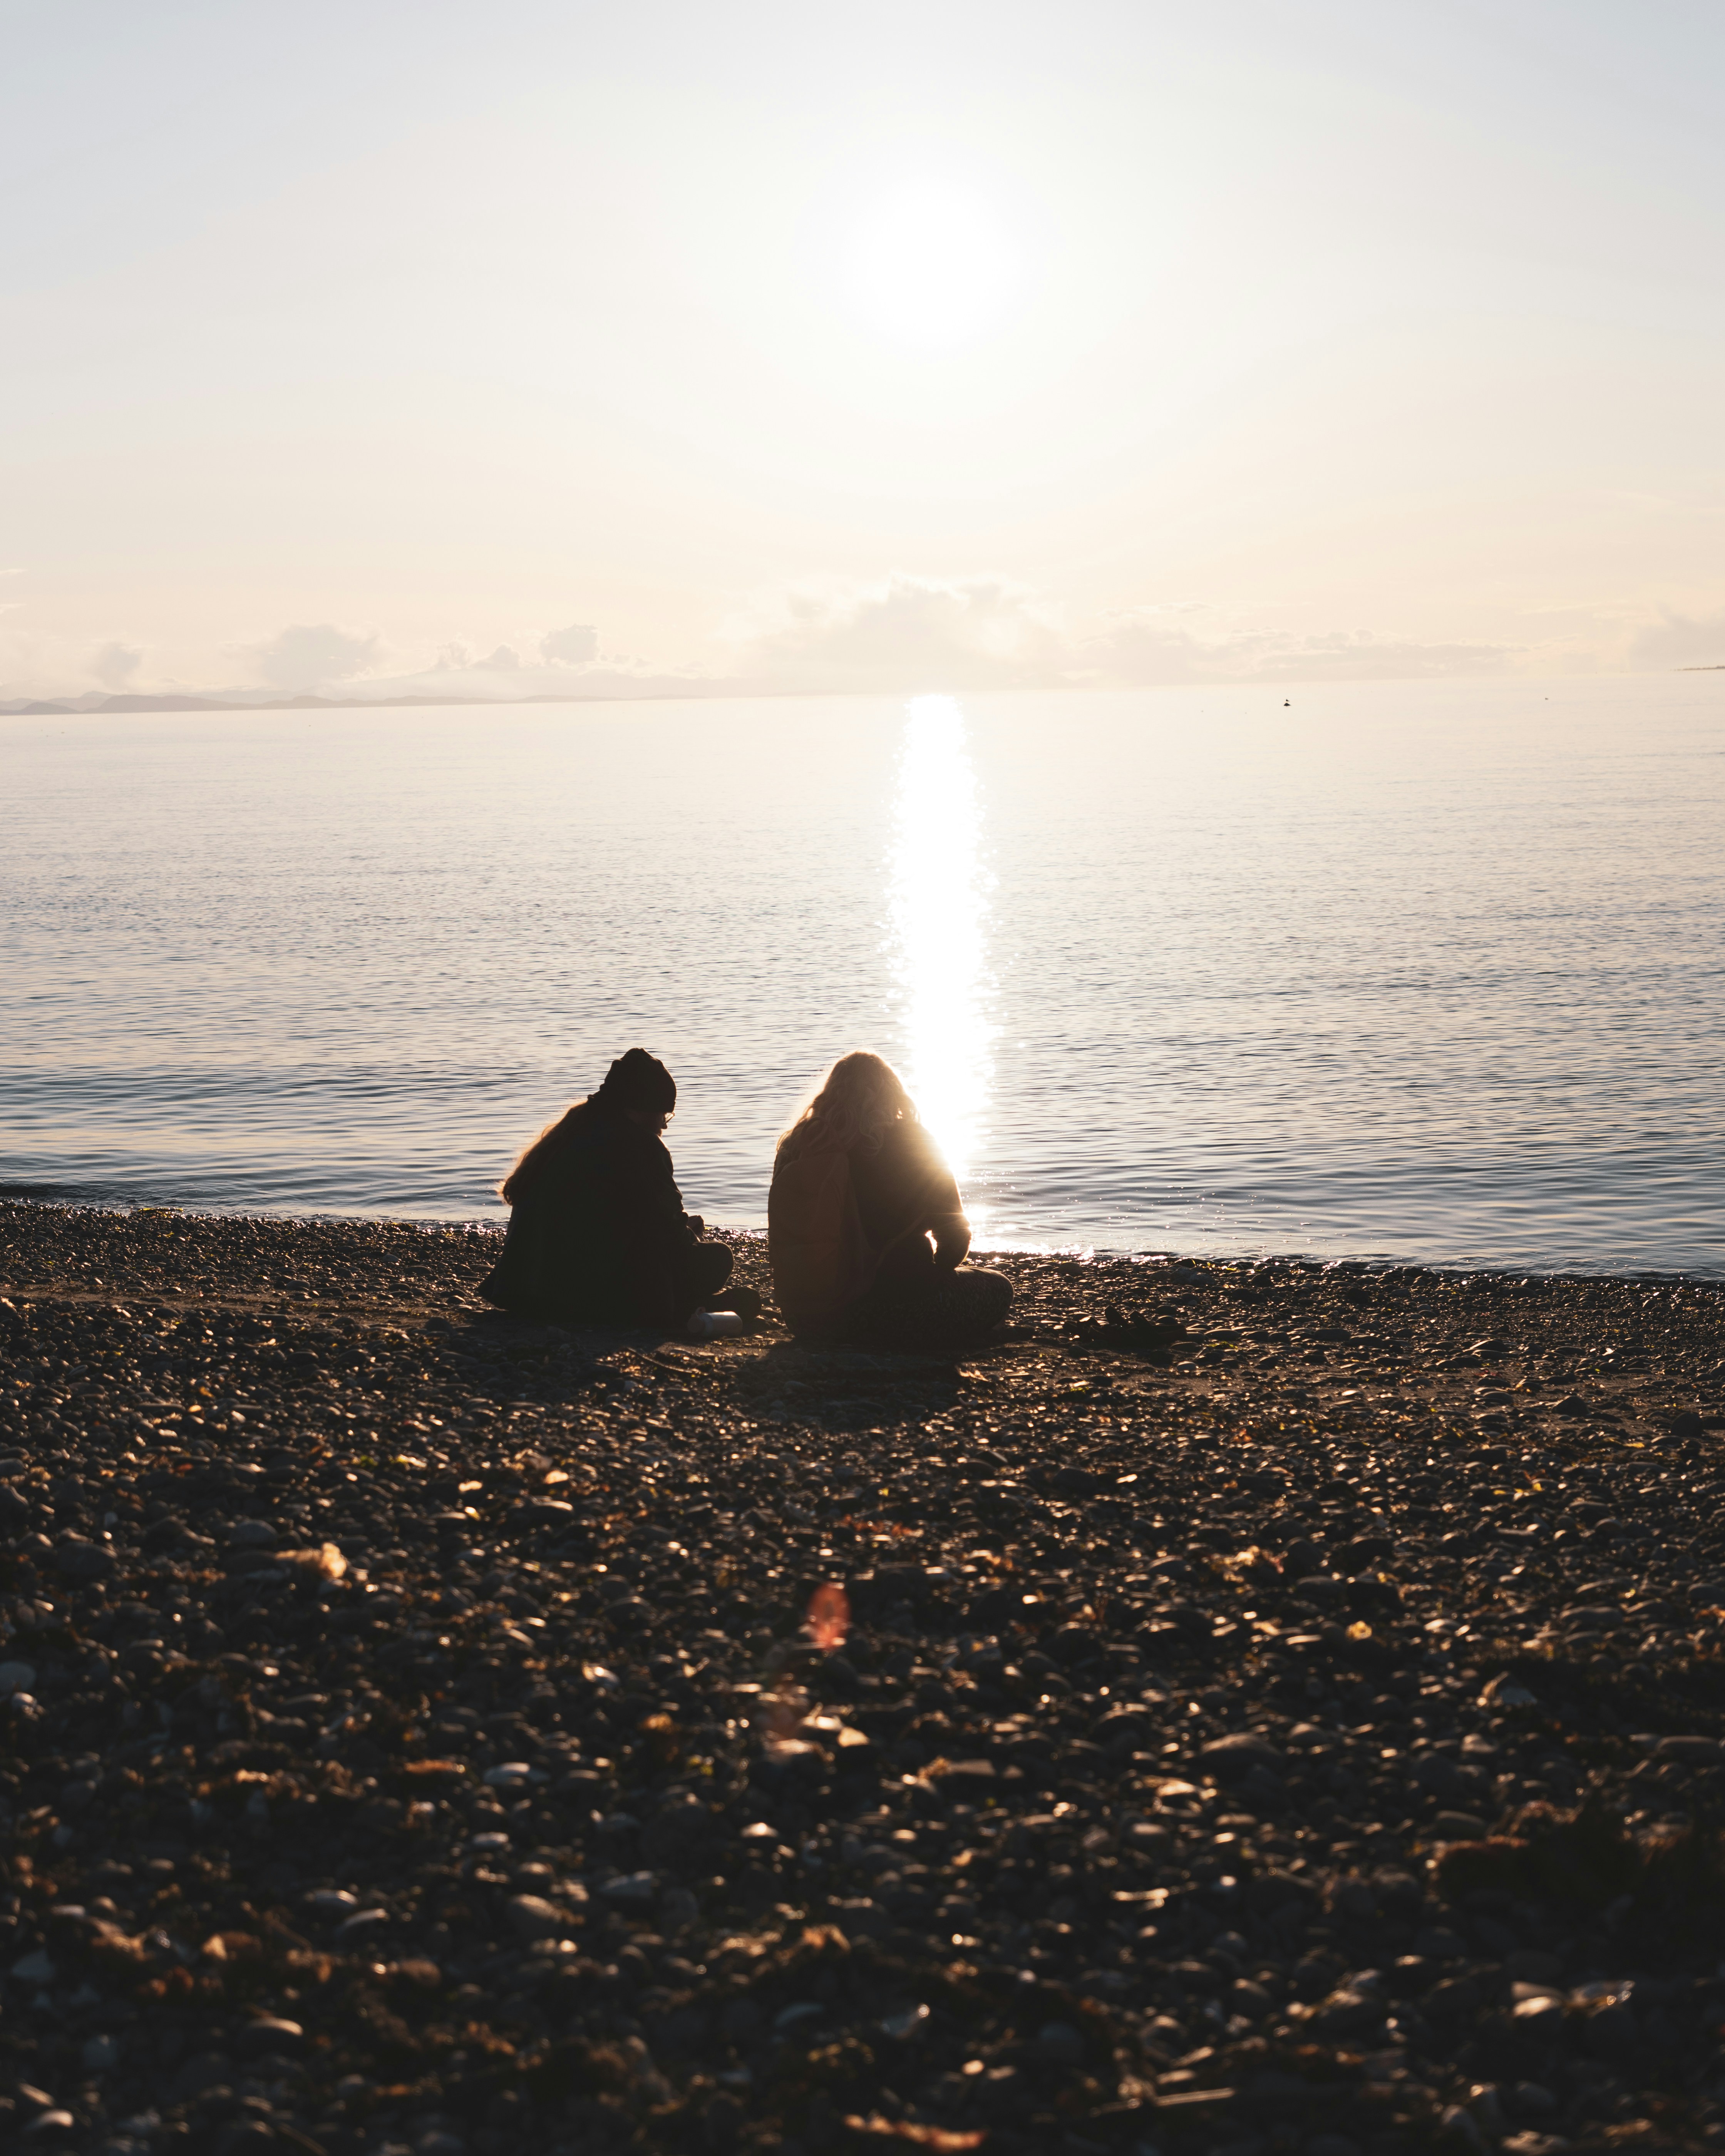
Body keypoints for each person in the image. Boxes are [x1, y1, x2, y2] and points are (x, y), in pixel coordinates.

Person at [479, 1049, 755, 1329]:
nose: (664, 1125)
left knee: (688, 1239)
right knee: (718, 1257)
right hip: (586, 1297)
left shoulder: (566, 1135)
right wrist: (692, 1241)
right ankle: (690, 1309)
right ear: (641, 1108)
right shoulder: (640, 1146)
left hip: (521, 1289)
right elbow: (667, 1232)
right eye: (664, 1114)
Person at [769, 1050, 1012, 1349]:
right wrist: (929, 1276)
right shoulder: (913, 1140)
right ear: (893, 1093)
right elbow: (955, 1240)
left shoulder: (799, 1144)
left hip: (805, 1319)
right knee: (999, 1287)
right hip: (886, 1316)